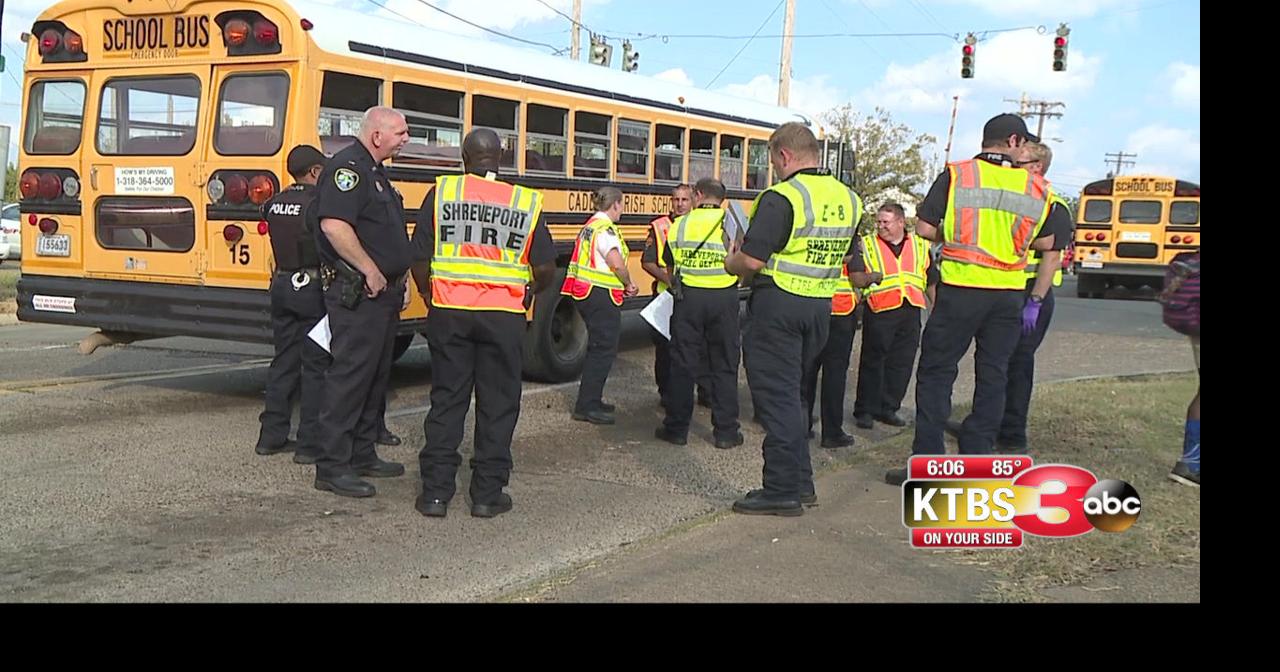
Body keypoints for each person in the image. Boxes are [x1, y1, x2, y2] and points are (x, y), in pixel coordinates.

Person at [885, 114, 1068, 486]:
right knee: (994, 375)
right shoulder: (1034, 187)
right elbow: (1050, 242)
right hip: (1007, 295)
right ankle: (978, 460)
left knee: (937, 374)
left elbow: (922, 228)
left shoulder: (958, 175)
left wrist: (954, 236)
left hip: (960, 289)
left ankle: (929, 463)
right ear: (1014, 142)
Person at [408, 128, 557, 517]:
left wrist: (429, 292)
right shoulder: (523, 201)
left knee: (447, 400)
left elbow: (419, 258)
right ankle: (487, 496)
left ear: (464, 157)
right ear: (501, 157)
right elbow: (545, 267)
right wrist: (528, 290)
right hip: (503, 315)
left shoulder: (442, 193)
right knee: (498, 403)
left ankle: (436, 494)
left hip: (449, 312)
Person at [723, 122, 859, 516]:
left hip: (779, 307)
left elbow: (751, 261)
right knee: (795, 396)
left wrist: (731, 258)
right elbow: (847, 256)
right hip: (821, 309)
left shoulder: (782, 197)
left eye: (773, 160)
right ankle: (801, 483)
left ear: (784, 155)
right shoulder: (849, 199)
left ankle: (780, 490)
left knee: (777, 399)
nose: (774, 168)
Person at [311, 106, 414, 498]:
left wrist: (397, 277)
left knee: (374, 377)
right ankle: (333, 466)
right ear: (377, 136)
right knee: (350, 377)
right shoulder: (348, 168)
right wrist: (370, 269)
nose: (406, 139)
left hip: (383, 294)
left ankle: (362, 452)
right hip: (359, 292)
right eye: (401, 133)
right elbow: (334, 225)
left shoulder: (375, 171)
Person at [992, 141, 1075, 452]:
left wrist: (1035, 302)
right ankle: (989, 424)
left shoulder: (1053, 205)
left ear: (1037, 167)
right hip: (1007, 289)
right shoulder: (1018, 200)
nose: (1012, 166)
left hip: (1031, 294)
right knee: (997, 362)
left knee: (1019, 364)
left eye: (1020, 163)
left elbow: (1051, 259)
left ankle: (1012, 436)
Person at [654, 177, 743, 449]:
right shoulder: (732, 225)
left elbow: (669, 266)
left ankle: (677, 429)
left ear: (698, 194)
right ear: (722, 199)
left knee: (682, 364)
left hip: (689, 299)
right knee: (724, 365)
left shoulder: (680, 224)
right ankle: (726, 432)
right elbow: (743, 262)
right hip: (724, 299)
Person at [255, 145, 329, 461]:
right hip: (311, 287)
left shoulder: (275, 202)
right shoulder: (317, 203)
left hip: (282, 283)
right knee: (316, 366)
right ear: (314, 171)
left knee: (284, 361)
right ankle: (309, 443)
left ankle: (271, 436)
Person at [850, 203, 931, 432]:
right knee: (873, 361)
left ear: (900, 222)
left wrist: (938, 310)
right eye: (879, 222)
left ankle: (888, 408)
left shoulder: (919, 244)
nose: (881, 226)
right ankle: (865, 410)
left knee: (902, 363)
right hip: (880, 309)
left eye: (886, 222)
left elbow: (930, 278)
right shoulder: (867, 244)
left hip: (911, 307)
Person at [562, 187, 639, 424]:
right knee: (603, 348)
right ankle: (587, 405)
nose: (623, 211)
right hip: (600, 294)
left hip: (587, 293)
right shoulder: (605, 229)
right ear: (614, 204)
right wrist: (628, 283)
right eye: (622, 205)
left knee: (599, 346)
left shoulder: (589, 226)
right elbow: (615, 262)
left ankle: (592, 399)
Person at [641, 184, 712, 409]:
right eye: (676, 200)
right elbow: (647, 261)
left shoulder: (700, 224)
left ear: (693, 201)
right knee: (665, 351)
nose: (680, 204)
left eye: (684, 200)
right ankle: (667, 393)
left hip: (693, 296)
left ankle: (704, 391)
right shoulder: (660, 226)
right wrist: (668, 279)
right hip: (666, 297)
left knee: (700, 347)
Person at [801, 260, 860, 448]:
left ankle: (803, 426)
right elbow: (857, 277)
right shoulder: (847, 235)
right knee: (834, 375)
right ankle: (832, 432)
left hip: (812, 307)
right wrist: (872, 278)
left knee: (807, 371)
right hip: (841, 312)